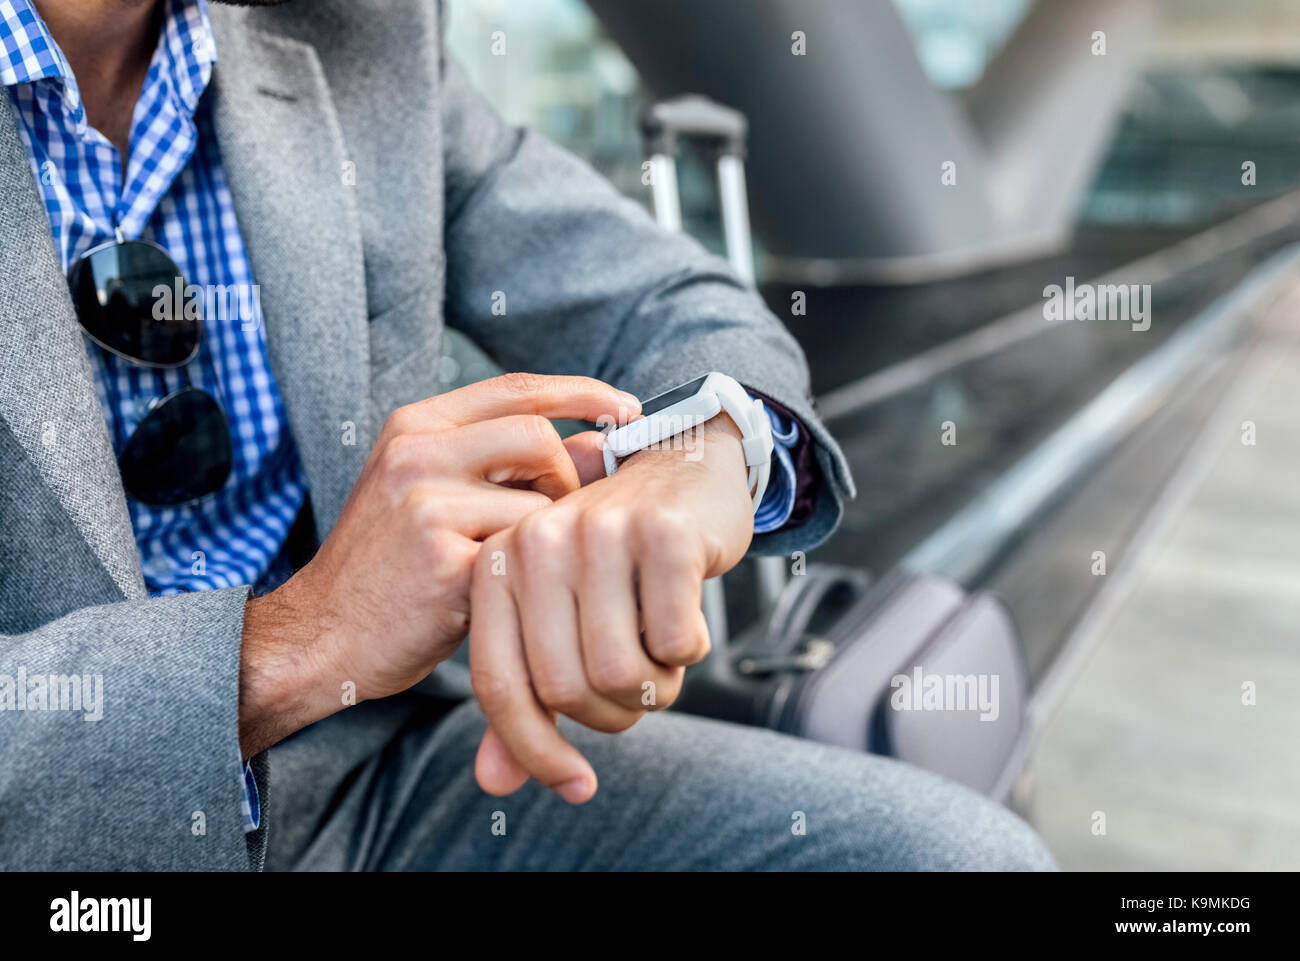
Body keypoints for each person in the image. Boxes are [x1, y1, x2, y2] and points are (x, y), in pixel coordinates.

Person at [0, 0, 1055, 870]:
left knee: (959, 860)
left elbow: (665, 297)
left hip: (380, 786)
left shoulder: (356, 34)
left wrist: (700, 455)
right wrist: (297, 646)